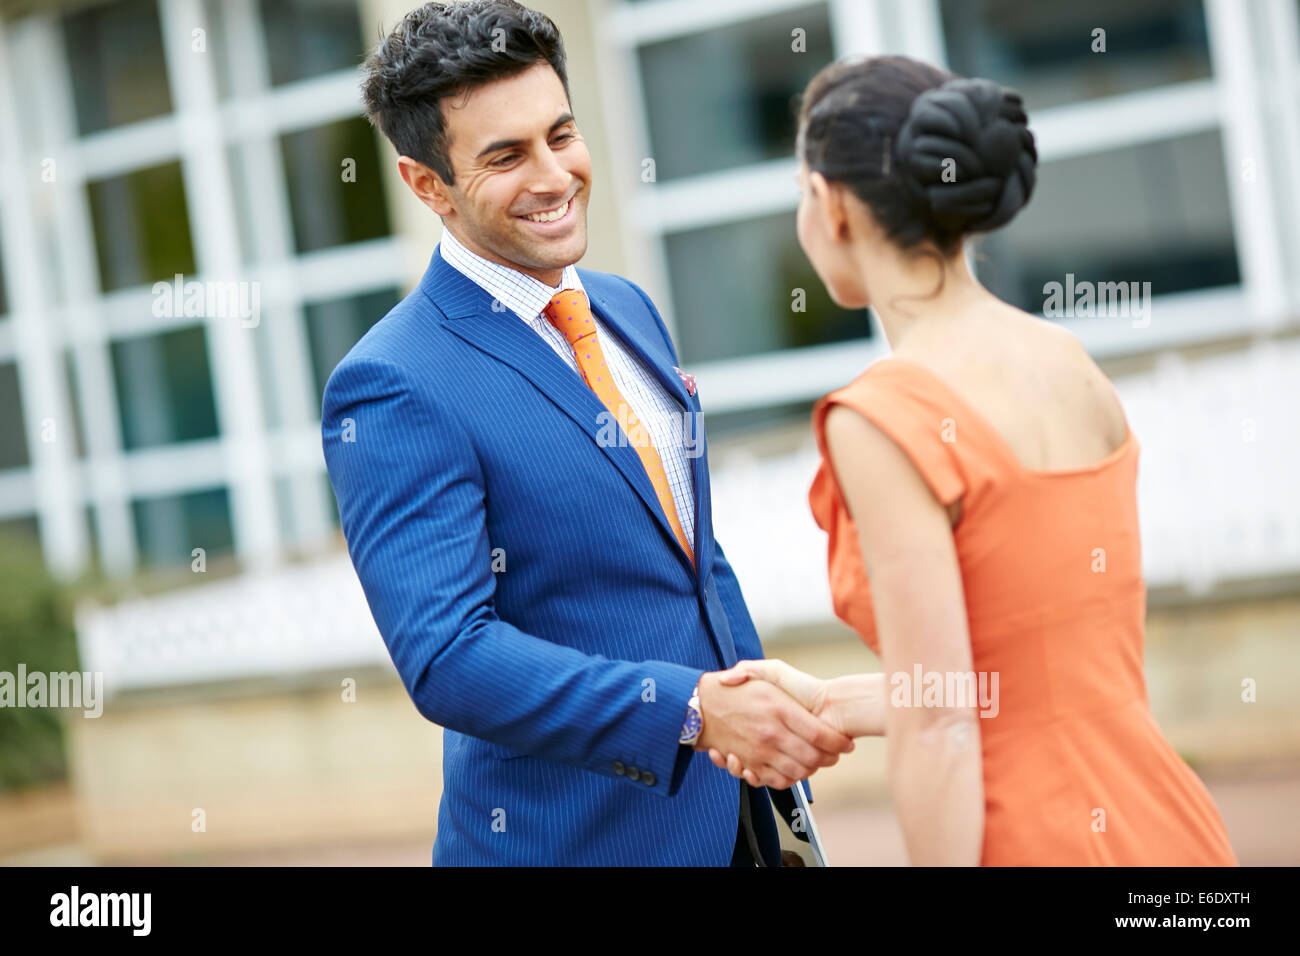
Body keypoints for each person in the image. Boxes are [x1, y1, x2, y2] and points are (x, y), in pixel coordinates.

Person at [321, 0, 852, 866]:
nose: (553, 175)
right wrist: (687, 710)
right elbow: (450, 658)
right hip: (572, 845)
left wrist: (767, 746)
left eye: (560, 135)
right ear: (427, 185)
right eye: (505, 156)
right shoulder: (392, 384)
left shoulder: (625, 305)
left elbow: (691, 560)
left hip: (740, 824)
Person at [708, 54, 1239, 866]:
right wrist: (832, 700)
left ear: (829, 201)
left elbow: (945, 724)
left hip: (1029, 834)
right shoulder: (1071, 364)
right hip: (1169, 828)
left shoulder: (884, 415)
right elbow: (1040, 676)